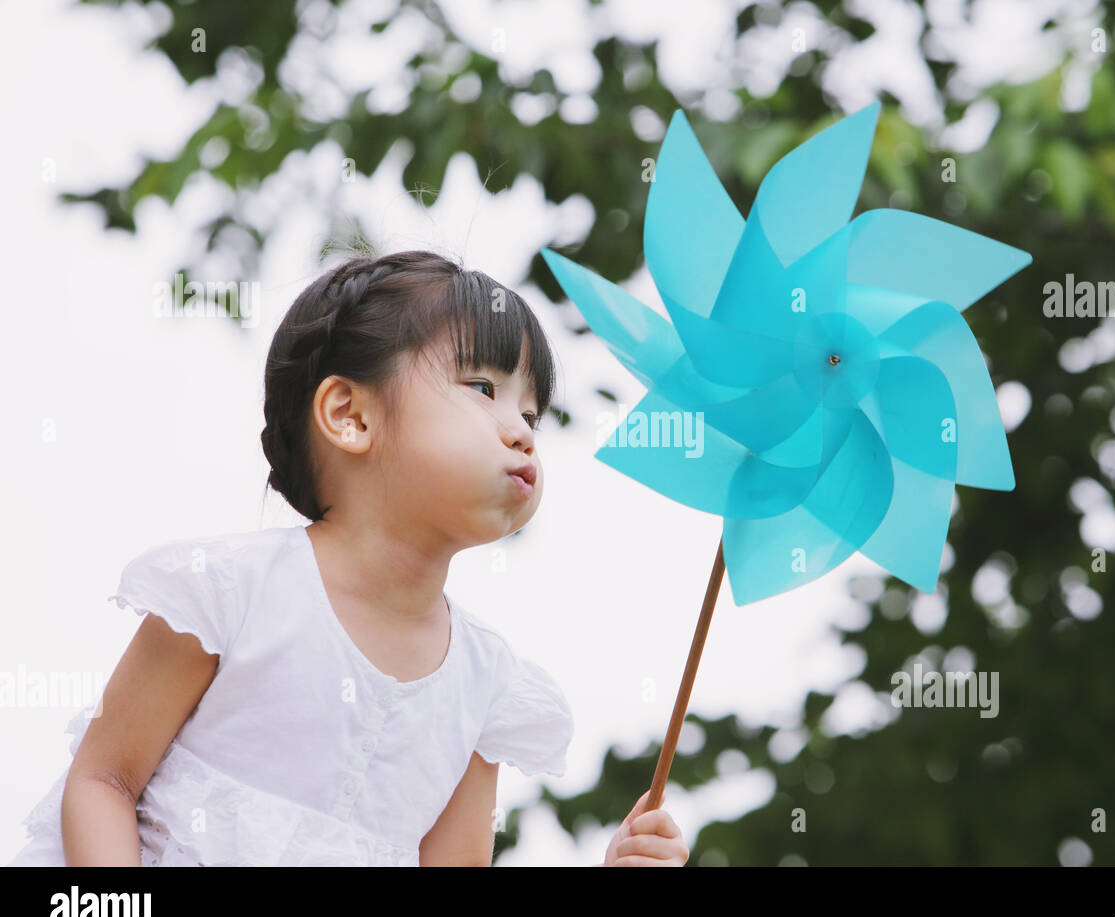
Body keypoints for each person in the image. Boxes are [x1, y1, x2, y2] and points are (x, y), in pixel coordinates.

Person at [8, 249, 689, 867]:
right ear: (350, 416)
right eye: (483, 389)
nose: (521, 432)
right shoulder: (227, 594)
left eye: (533, 415)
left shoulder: (488, 691)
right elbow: (104, 779)